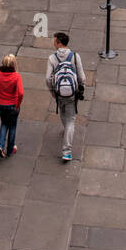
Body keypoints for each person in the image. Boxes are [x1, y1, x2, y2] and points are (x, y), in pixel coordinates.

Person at [46, 31, 86, 161]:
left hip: (58, 93)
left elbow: (47, 78)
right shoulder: (75, 56)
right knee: (71, 119)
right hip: (72, 94)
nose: (53, 42)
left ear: (58, 43)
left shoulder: (52, 58)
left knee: (63, 114)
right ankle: (67, 151)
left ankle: (67, 131)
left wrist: (52, 91)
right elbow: (82, 77)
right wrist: (81, 88)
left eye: (54, 40)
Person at [0, 53, 24, 157]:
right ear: (14, 64)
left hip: (0, 104)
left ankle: (0, 145)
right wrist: (18, 104)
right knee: (12, 126)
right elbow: (21, 93)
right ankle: (9, 150)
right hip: (12, 105)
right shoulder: (16, 76)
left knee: (4, 123)